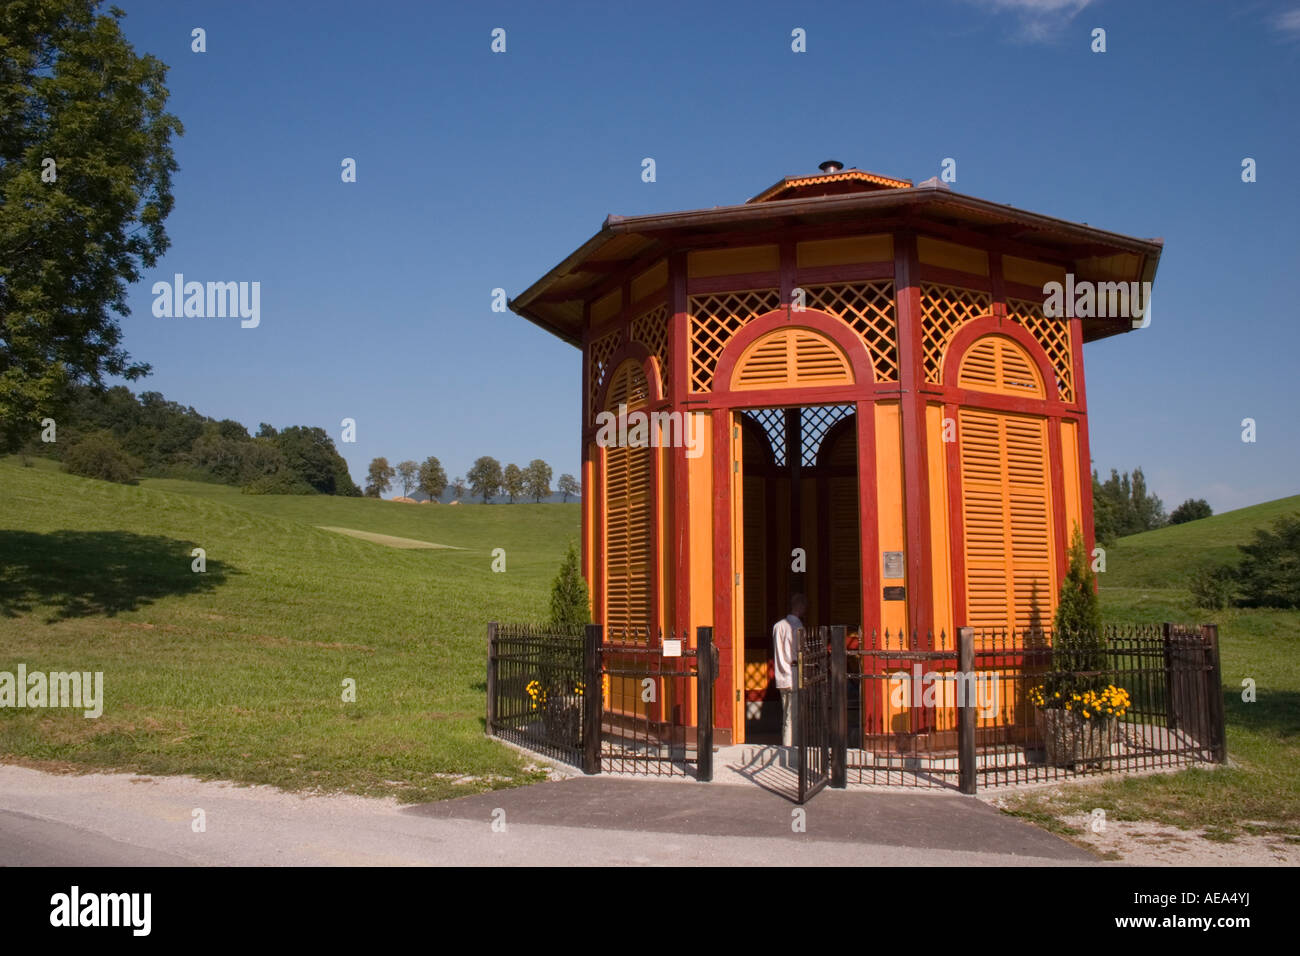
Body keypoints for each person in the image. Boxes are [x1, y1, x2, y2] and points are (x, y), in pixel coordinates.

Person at [772, 593, 807, 748]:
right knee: (792, 717)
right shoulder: (797, 627)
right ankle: (789, 748)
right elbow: (798, 652)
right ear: (800, 607)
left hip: (781, 673)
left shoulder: (777, 626)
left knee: (786, 712)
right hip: (793, 673)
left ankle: (788, 744)